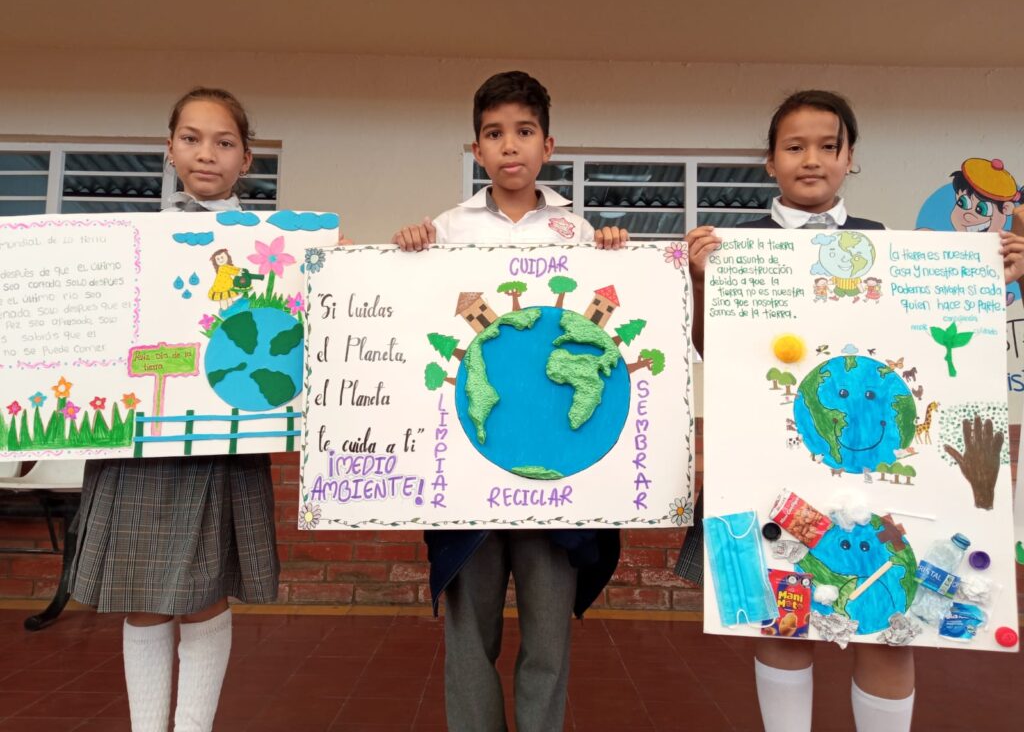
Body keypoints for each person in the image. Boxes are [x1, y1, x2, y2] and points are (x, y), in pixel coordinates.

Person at [680, 89, 1024, 732]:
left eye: (828, 146)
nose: (812, 159)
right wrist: (701, 282)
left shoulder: (893, 248)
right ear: (770, 161)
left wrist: (999, 274)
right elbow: (708, 349)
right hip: (774, 469)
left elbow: (946, 332)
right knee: (784, 620)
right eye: (795, 146)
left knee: (889, 623)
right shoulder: (733, 249)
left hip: (884, 478)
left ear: (850, 158)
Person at [70, 87, 349, 732]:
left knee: (202, 595)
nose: (207, 154)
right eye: (191, 139)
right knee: (140, 600)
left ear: (246, 158)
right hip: (140, 446)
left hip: (223, 442)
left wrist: (337, 267)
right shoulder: (127, 243)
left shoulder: (279, 250)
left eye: (224, 142)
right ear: (169, 149)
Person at [392, 70, 627, 732]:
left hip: (561, 465)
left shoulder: (576, 232)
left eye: (523, 132)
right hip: (470, 462)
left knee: (548, 641)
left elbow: (608, 307)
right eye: (494, 134)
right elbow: (417, 319)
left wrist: (614, 255)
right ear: (476, 151)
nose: (510, 146)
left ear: (548, 145)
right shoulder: (447, 228)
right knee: (471, 637)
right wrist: (409, 251)